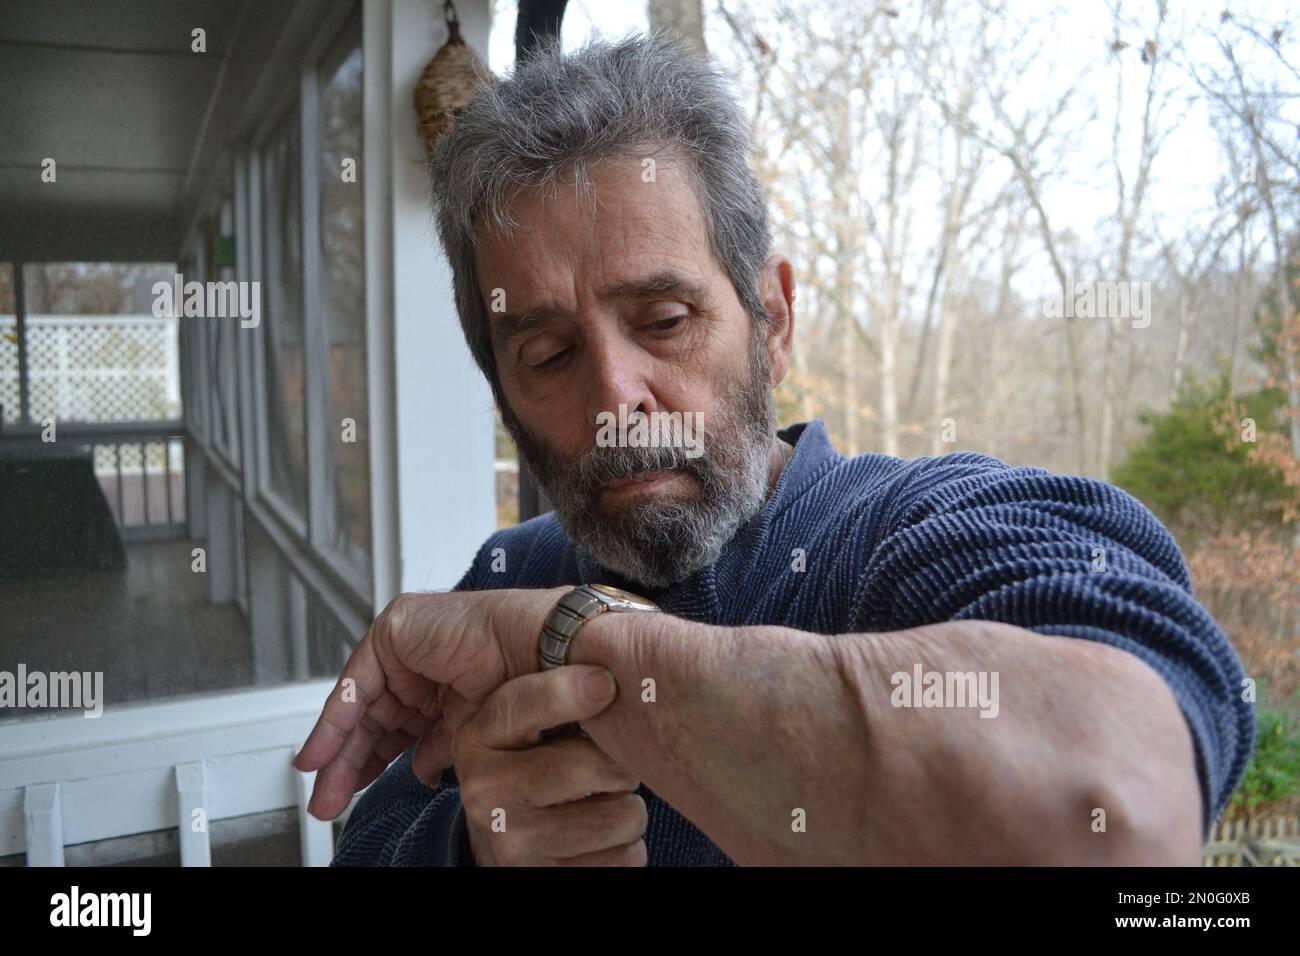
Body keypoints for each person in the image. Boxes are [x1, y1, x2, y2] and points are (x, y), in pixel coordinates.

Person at [292, 32, 1253, 866]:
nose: (617, 398)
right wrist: (470, 849)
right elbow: (367, 841)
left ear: (774, 321)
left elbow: (1109, 810)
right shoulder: (508, 570)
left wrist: (571, 642)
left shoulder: (921, 530)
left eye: (664, 320)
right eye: (547, 354)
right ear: (504, 394)